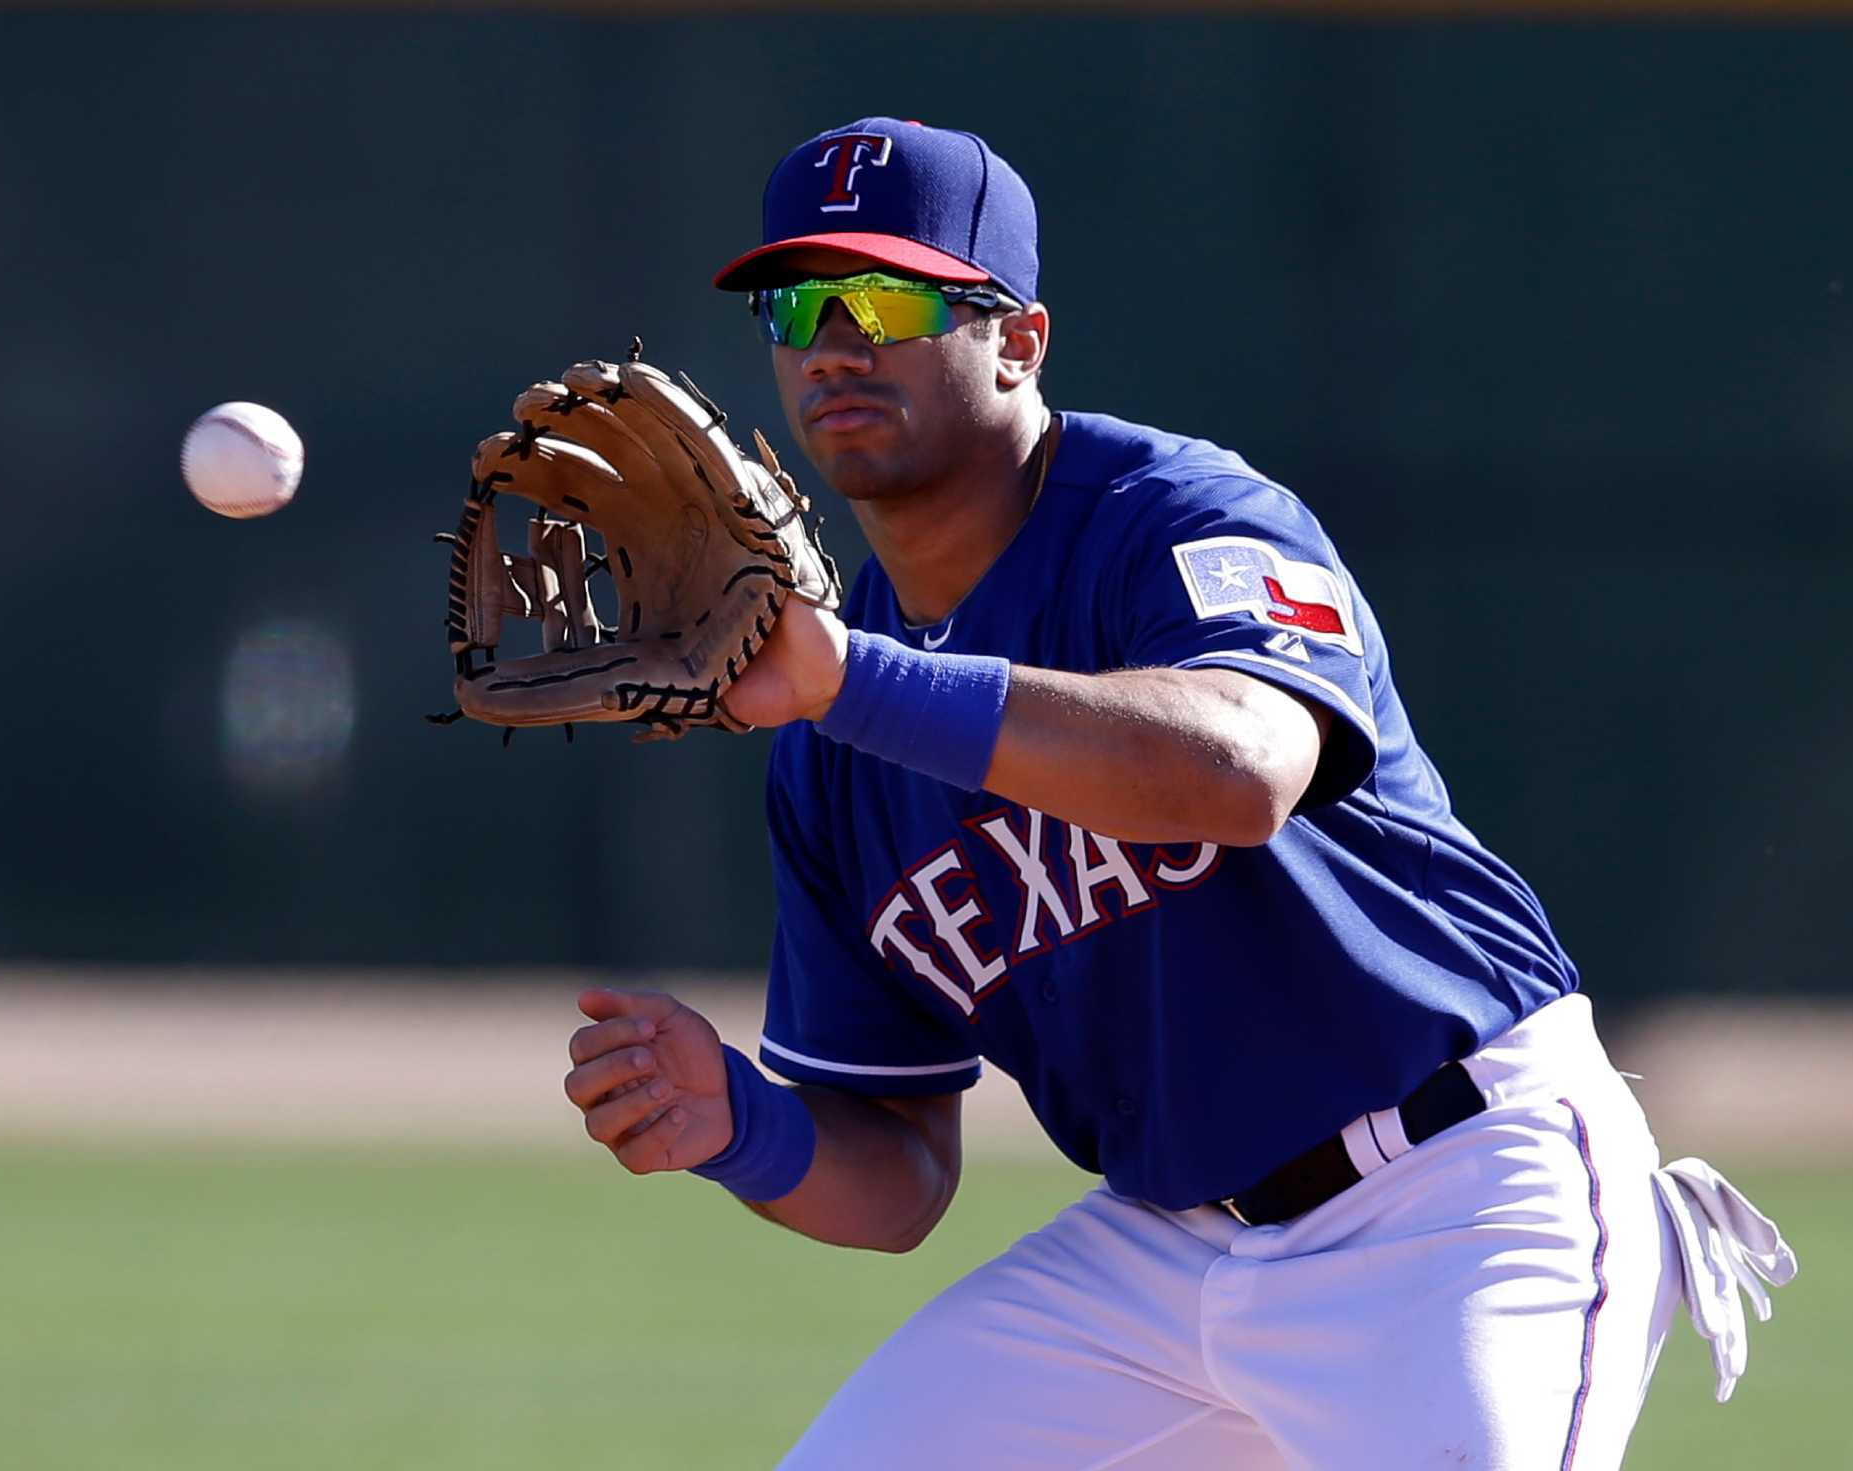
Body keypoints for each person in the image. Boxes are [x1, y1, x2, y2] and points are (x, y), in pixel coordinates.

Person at [562, 118, 1791, 1469]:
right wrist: (741, 1125)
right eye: (796, 305)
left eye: (891, 294)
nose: (837, 340)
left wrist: (854, 683)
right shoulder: (824, 731)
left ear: (1018, 340)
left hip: (1459, 1194)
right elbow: (899, 1171)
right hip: (1161, 1255)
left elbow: (1239, 771)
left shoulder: (1174, 518)